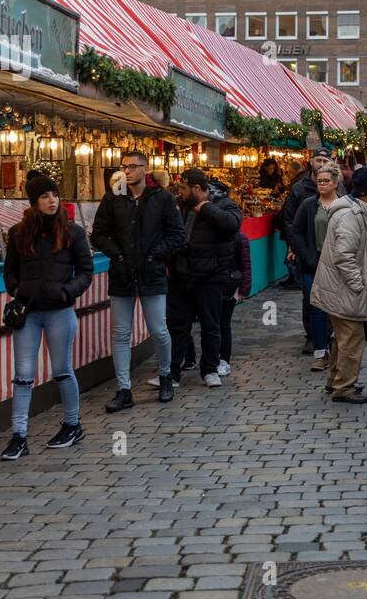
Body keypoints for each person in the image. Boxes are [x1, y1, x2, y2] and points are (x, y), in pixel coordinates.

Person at [0, 174, 94, 460]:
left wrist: (67, 293)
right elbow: (9, 270)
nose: (52, 200)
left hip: (59, 311)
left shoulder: (73, 232)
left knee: (62, 370)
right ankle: (18, 435)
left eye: (54, 194)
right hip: (28, 312)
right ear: (34, 202)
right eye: (45, 196)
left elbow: (86, 271)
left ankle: (72, 424)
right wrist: (17, 289)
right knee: (23, 376)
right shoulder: (18, 233)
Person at [92, 151, 186, 411]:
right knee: (121, 333)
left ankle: (166, 375)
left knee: (158, 329)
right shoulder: (113, 199)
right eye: (124, 167)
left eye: (133, 167)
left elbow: (178, 235)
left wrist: (156, 254)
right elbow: (98, 234)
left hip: (151, 274)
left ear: (145, 169)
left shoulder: (162, 199)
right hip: (122, 274)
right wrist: (118, 254)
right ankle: (124, 389)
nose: (127, 171)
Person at [167, 169, 242, 393]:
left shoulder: (223, 204)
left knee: (211, 325)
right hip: (181, 275)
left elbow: (233, 225)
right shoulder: (178, 206)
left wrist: (207, 209)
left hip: (210, 276)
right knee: (178, 325)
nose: (180, 192)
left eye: (183, 188)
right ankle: (172, 371)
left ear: (197, 189)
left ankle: (209, 368)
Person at [310, 166, 367, 404]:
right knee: (351, 338)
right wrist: (358, 285)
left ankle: (336, 381)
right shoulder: (351, 214)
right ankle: (344, 387)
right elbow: (344, 256)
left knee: (342, 338)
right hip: (344, 289)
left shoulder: (354, 210)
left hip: (338, 287)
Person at [288, 165, 341, 371]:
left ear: (336, 183)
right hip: (313, 263)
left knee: (337, 309)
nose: (322, 184)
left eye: (326, 180)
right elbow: (296, 231)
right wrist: (307, 255)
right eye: (319, 181)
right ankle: (321, 352)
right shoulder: (309, 205)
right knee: (316, 308)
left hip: (338, 264)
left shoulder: (344, 205)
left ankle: (339, 350)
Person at [280, 148, 334, 346]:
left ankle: (328, 334)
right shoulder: (299, 188)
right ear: (311, 162)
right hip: (308, 251)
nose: (320, 164)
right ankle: (312, 337)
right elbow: (289, 220)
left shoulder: (338, 193)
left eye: (324, 160)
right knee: (309, 297)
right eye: (317, 160)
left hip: (331, 255)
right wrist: (295, 247)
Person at [219, 228, 252, 377]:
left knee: (223, 323)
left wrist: (244, 288)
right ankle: (213, 358)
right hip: (211, 284)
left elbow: (245, 265)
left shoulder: (240, 238)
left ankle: (224, 359)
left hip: (230, 286)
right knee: (213, 324)